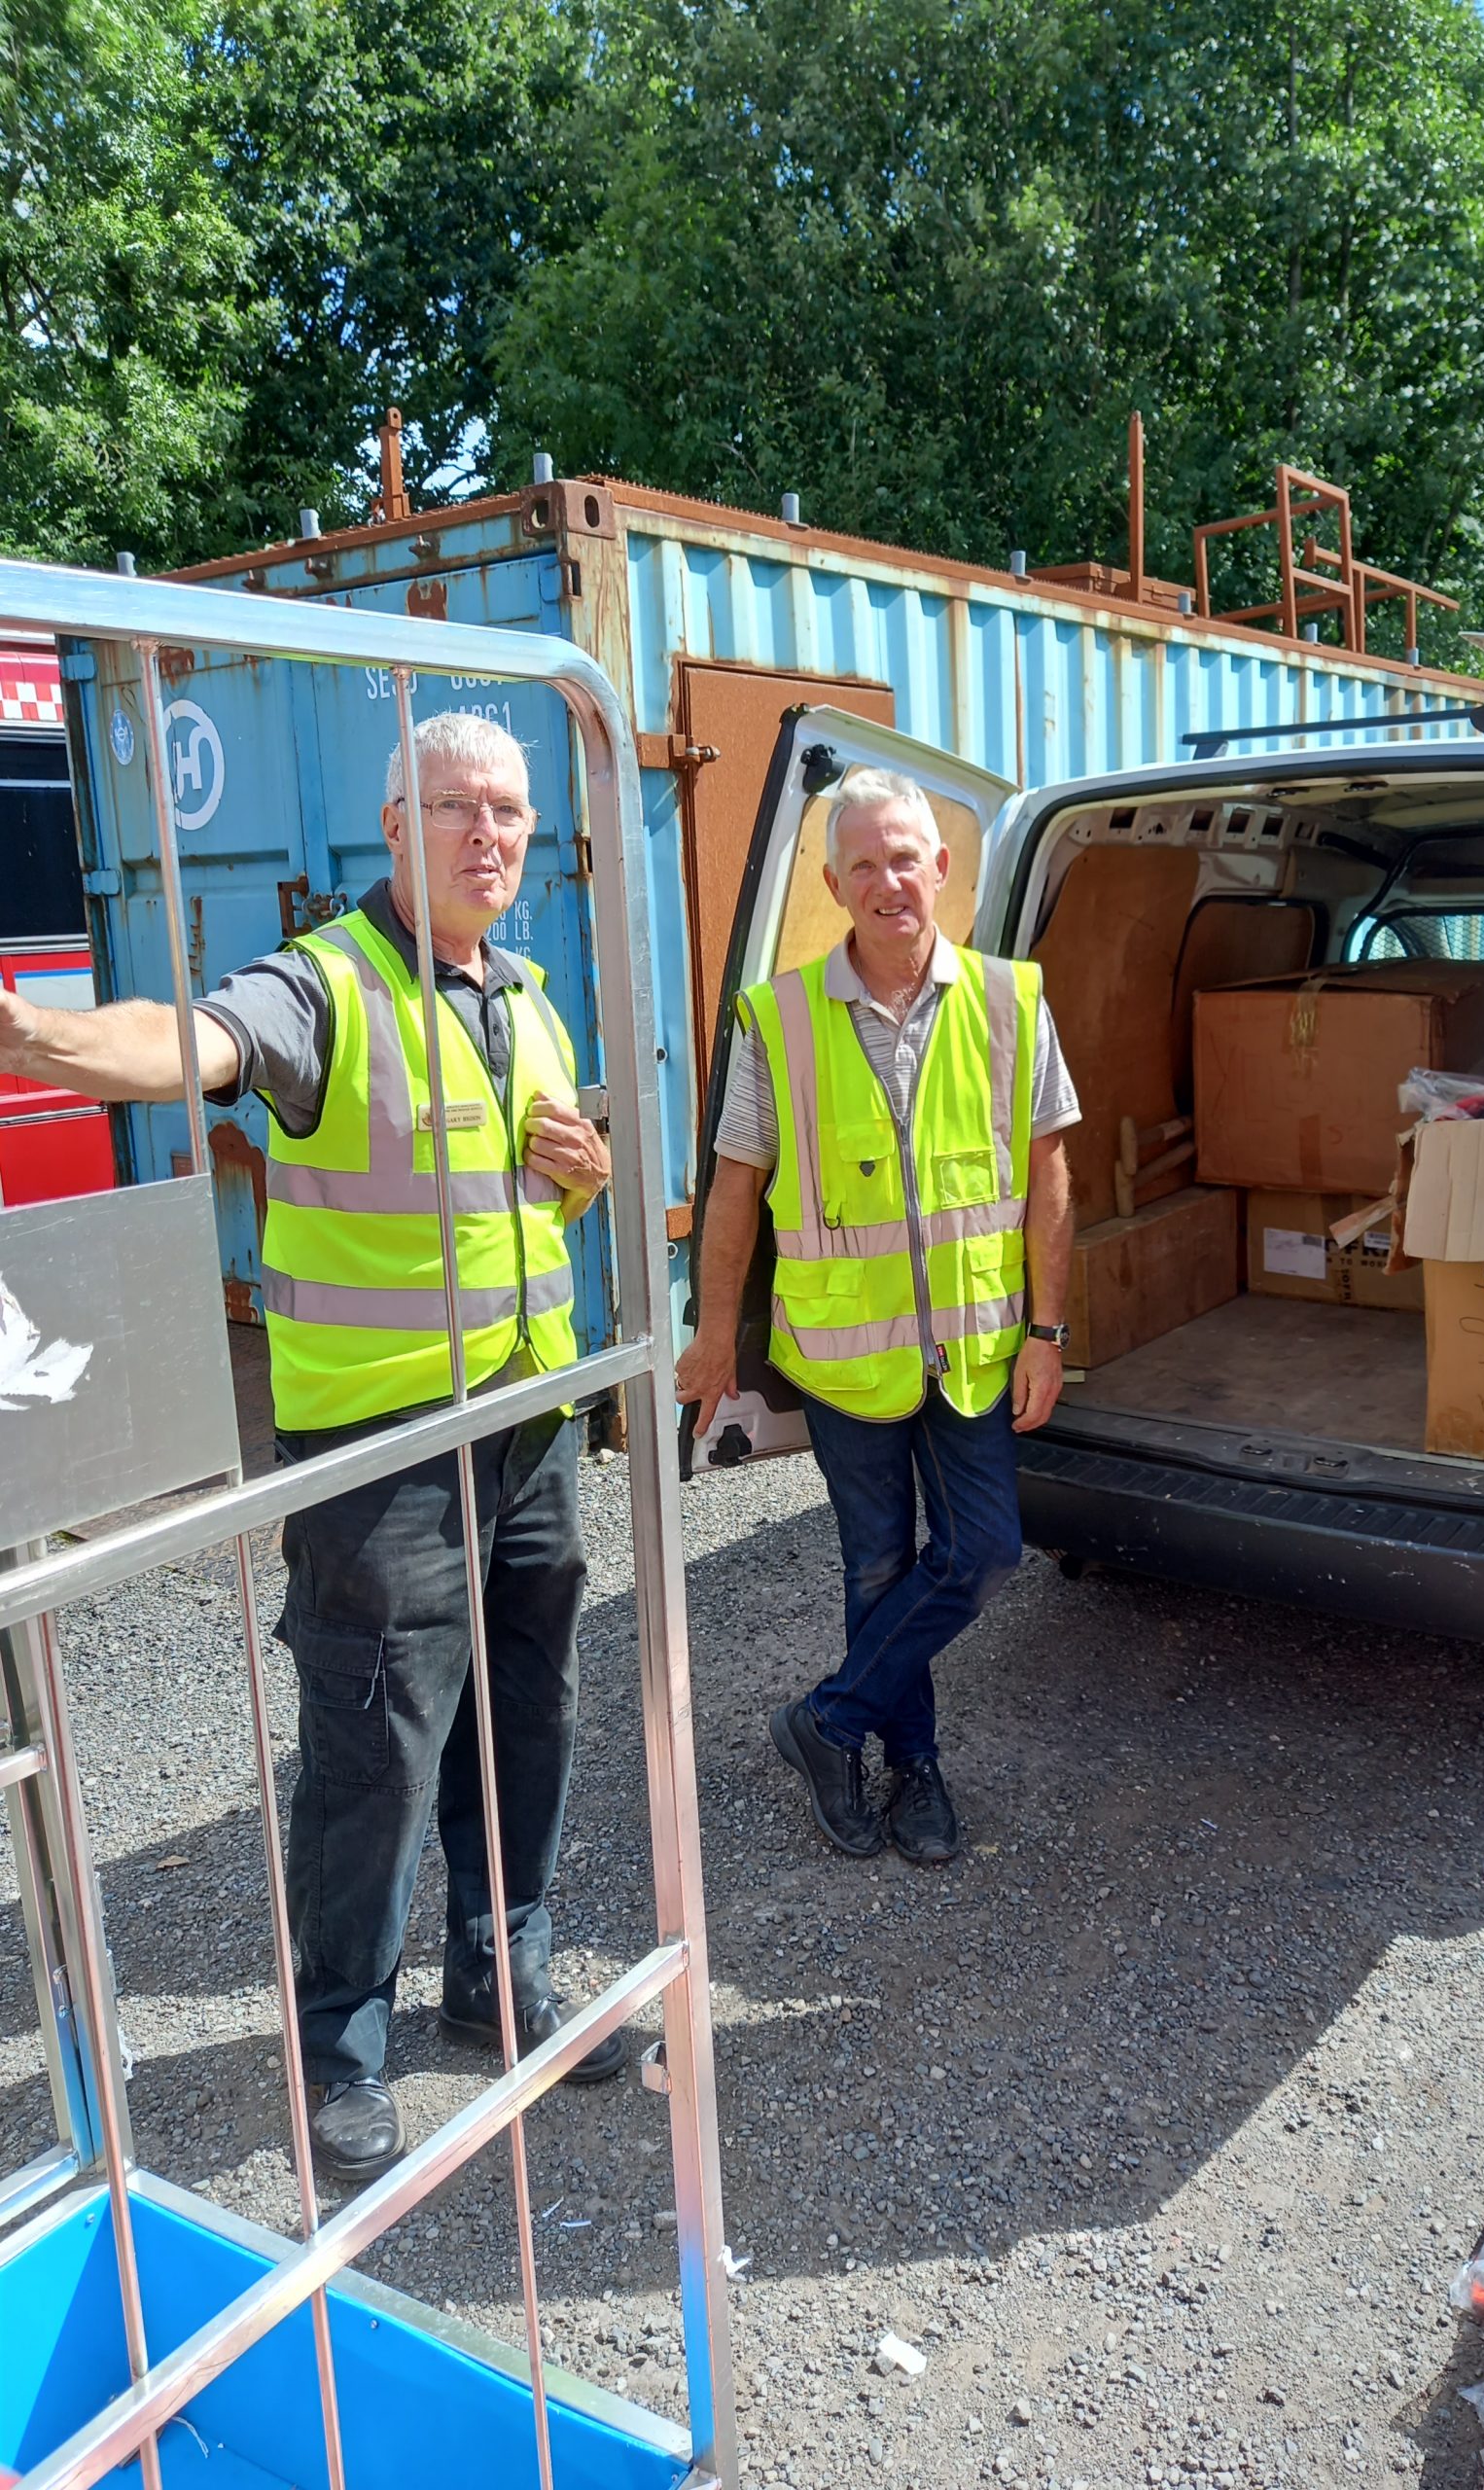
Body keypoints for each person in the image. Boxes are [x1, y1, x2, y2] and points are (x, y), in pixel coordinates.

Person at [0, 712, 621, 2179]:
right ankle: (338, 2041)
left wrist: (585, 1175)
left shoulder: (527, 999)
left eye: (511, 813)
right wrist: (36, 1035)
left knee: (523, 1718)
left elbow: (528, 1206)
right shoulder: (324, 989)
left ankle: (501, 1980)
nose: (488, 835)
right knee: (374, 1760)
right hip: (384, 1458)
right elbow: (197, 1042)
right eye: (456, 809)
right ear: (393, 830)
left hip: (526, 1429)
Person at [675, 766, 1078, 1865]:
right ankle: (915, 1774)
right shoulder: (784, 1018)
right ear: (833, 882)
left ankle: (828, 1719)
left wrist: (1049, 1330)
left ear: (941, 867)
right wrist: (716, 1335)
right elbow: (735, 1188)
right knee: (877, 1568)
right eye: (864, 863)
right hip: (847, 1354)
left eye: (906, 856)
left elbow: (1048, 1173)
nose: (889, 880)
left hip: (976, 1347)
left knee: (986, 1550)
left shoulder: (1008, 1000)